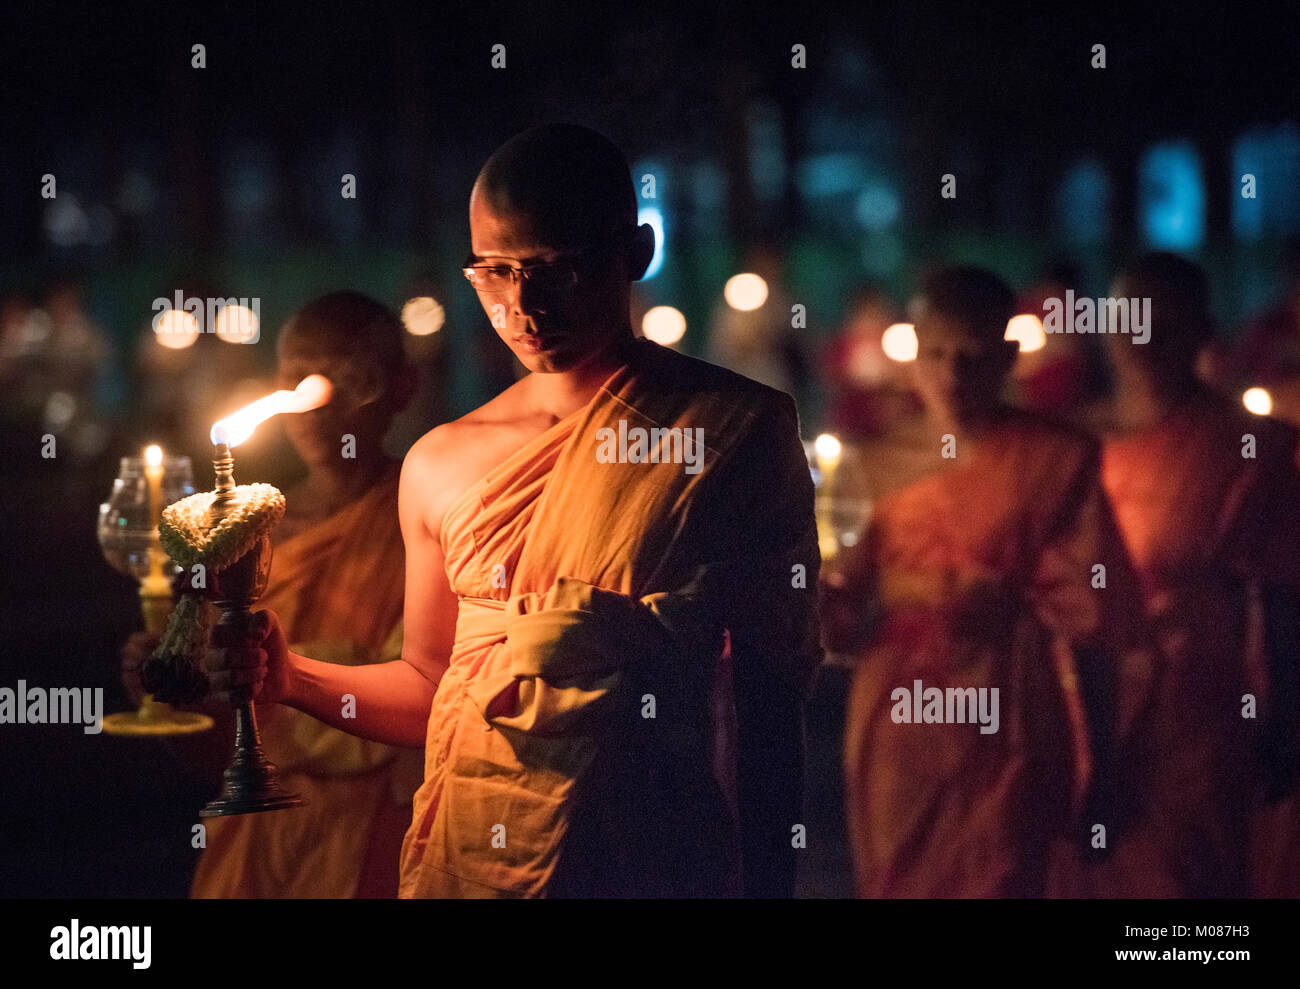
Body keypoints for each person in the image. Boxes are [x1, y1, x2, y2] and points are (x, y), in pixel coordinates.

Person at [204, 125, 822, 898]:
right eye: (494, 271)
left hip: (652, 851)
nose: (522, 304)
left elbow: (772, 694)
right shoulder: (442, 461)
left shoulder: (733, 429)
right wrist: (293, 677)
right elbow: (432, 682)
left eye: (555, 269)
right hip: (475, 852)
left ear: (634, 252)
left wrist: (770, 879)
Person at [821, 265, 1151, 898]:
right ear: (911, 353)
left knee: (1004, 872)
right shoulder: (875, 461)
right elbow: (838, 618)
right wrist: (809, 590)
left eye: (971, 357)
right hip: (899, 710)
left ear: (1008, 355)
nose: (951, 375)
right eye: (936, 353)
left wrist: (1102, 767)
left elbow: (1092, 622)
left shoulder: (1055, 457)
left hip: (1010, 700)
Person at [122, 290, 422, 897]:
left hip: (372, 840)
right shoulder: (248, 533)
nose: (316, 401)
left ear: (399, 388)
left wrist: (276, 689)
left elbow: (417, 704)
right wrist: (176, 694)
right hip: (254, 843)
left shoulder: (425, 518)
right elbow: (221, 752)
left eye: (343, 375)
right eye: (296, 377)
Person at [1095, 252, 1300, 897]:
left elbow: (1283, 595)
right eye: (1128, 316)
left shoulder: (1247, 448)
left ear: (1202, 332)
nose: (1143, 335)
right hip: (1071, 708)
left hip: (1193, 718)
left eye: (1165, 320)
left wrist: (1286, 721)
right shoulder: (1067, 446)